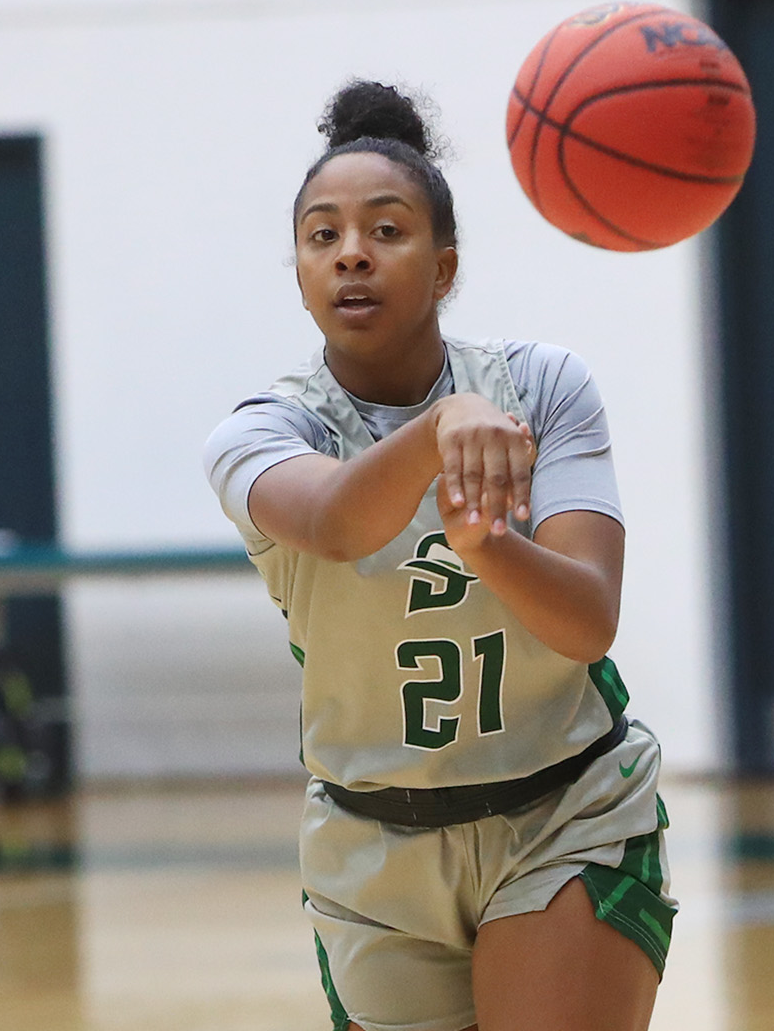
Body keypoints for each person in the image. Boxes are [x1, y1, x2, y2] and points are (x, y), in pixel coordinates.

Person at [204, 79, 673, 1031]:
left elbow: (587, 620)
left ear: (445, 265)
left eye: (386, 230)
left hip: (562, 813)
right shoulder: (260, 432)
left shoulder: (542, 386)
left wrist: (488, 545)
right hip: (373, 848)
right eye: (322, 236)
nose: (352, 256)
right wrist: (439, 429)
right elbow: (337, 521)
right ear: (297, 271)